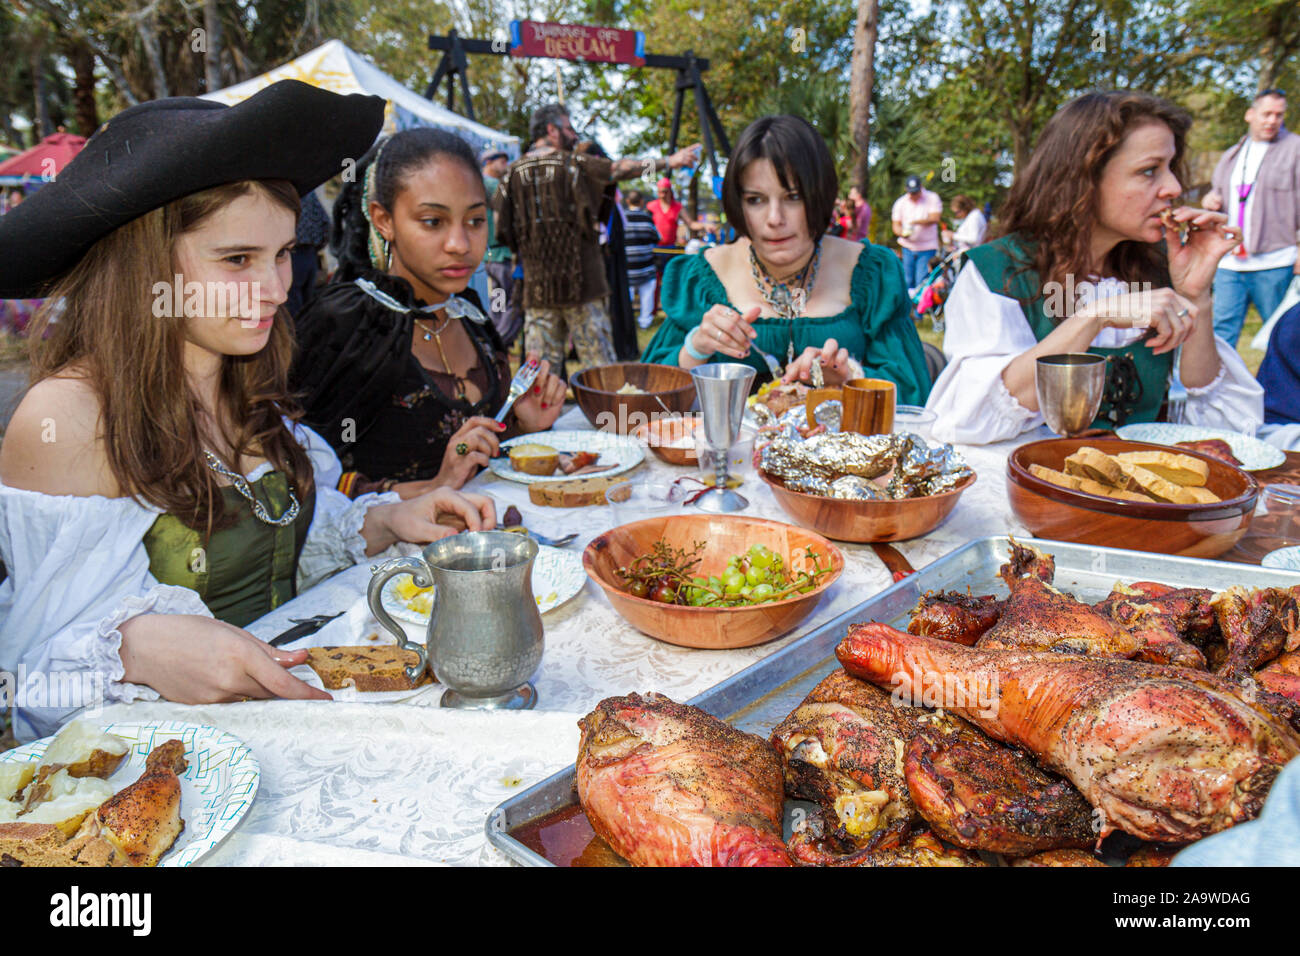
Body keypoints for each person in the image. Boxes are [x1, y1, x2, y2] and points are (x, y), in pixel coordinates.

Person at [0, 81, 498, 739]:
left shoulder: (244, 381)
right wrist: (134, 650)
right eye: (237, 259)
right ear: (145, 270)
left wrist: (384, 520)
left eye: (284, 254)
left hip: (294, 735)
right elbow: (29, 683)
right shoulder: (68, 418)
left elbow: (282, 535)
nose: (275, 290)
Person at [926, 91, 1263, 445]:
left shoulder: (1159, 267)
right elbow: (966, 421)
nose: (1174, 187)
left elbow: (1219, 423)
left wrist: (1195, 295)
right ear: (1082, 179)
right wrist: (1094, 317)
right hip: (1027, 488)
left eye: (1169, 167)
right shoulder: (998, 270)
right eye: (1149, 171)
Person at [291, 129, 568, 498]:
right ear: (383, 220)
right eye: (433, 221)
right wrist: (435, 486)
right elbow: (299, 486)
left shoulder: (468, 314)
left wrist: (519, 425)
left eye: (474, 220)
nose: (460, 245)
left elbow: (480, 457)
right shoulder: (345, 324)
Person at [640, 114, 931, 404]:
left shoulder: (871, 272)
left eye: (793, 197)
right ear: (737, 203)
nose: (774, 219)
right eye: (756, 200)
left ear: (819, 195)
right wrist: (696, 347)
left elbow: (913, 393)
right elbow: (644, 398)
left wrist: (850, 380)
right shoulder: (701, 277)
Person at [493, 104, 699, 379]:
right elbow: (620, 169)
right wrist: (668, 162)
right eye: (568, 127)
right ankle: (608, 421)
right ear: (551, 130)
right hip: (584, 286)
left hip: (538, 290)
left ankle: (540, 422)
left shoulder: (510, 175)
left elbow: (500, 229)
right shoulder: (574, 164)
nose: (574, 134)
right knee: (602, 374)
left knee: (540, 376)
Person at [1201, 89, 1300, 347]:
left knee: (1281, 334)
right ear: (1250, 114)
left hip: (1275, 260)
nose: (1272, 120)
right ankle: (1219, 387)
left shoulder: (1295, 149)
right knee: (1221, 333)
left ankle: (1281, 386)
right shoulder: (1232, 154)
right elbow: (1218, 194)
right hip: (1230, 263)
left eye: (1279, 115)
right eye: (1267, 114)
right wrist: (1210, 199)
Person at [479, 146, 523, 347]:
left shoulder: (484, 184)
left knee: (499, 300)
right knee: (513, 300)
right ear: (489, 162)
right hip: (502, 255)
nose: (505, 165)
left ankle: (494, 336)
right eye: (502, 161)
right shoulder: (490, 184)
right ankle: (500, 341)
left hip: (492, 256)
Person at [892, 175, 942, 291]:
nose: (914, 195)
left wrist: (917, 222)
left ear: (921, 188)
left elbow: (935, 217)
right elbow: (896, 225)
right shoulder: (901, 203)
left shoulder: (932, 198)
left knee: (922, 282)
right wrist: (903, 233)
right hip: (907, 247)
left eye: (916, 192)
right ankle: (908, 307)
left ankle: (920, 308)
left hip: (927, 248)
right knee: (907, 281)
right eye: (911, 193)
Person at [285, 188, 329, 316]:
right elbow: (325, 223)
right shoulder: (310, 194)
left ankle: (295, 333)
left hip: (293, 254)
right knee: (308, 299)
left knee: (292, 302)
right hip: (310, 254)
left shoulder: (285, 197)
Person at [623, 190, 659, 329]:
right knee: (647, 295)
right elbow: (657, 237)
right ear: (642, 202)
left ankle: (626, 322)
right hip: (646, 267)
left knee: (627, 296)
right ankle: (645, 322)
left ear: (627, 202)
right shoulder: (647, 218)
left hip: (627, 268)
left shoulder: (622, 218)